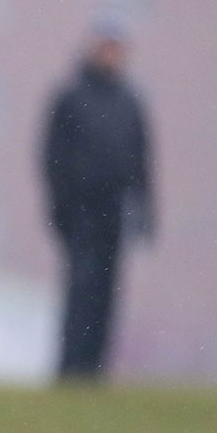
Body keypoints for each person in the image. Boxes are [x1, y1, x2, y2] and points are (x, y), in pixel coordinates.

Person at [41, 19, 154, 382]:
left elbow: (141, 159)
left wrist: (145, 209)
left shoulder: (129, 102)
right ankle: (71, 369)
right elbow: (52, 157)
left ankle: (95, 370)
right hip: (80, 212)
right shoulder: (71, 97)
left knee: (107, 294)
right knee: (81, 290)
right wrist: (61, 207)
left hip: (113, 210)